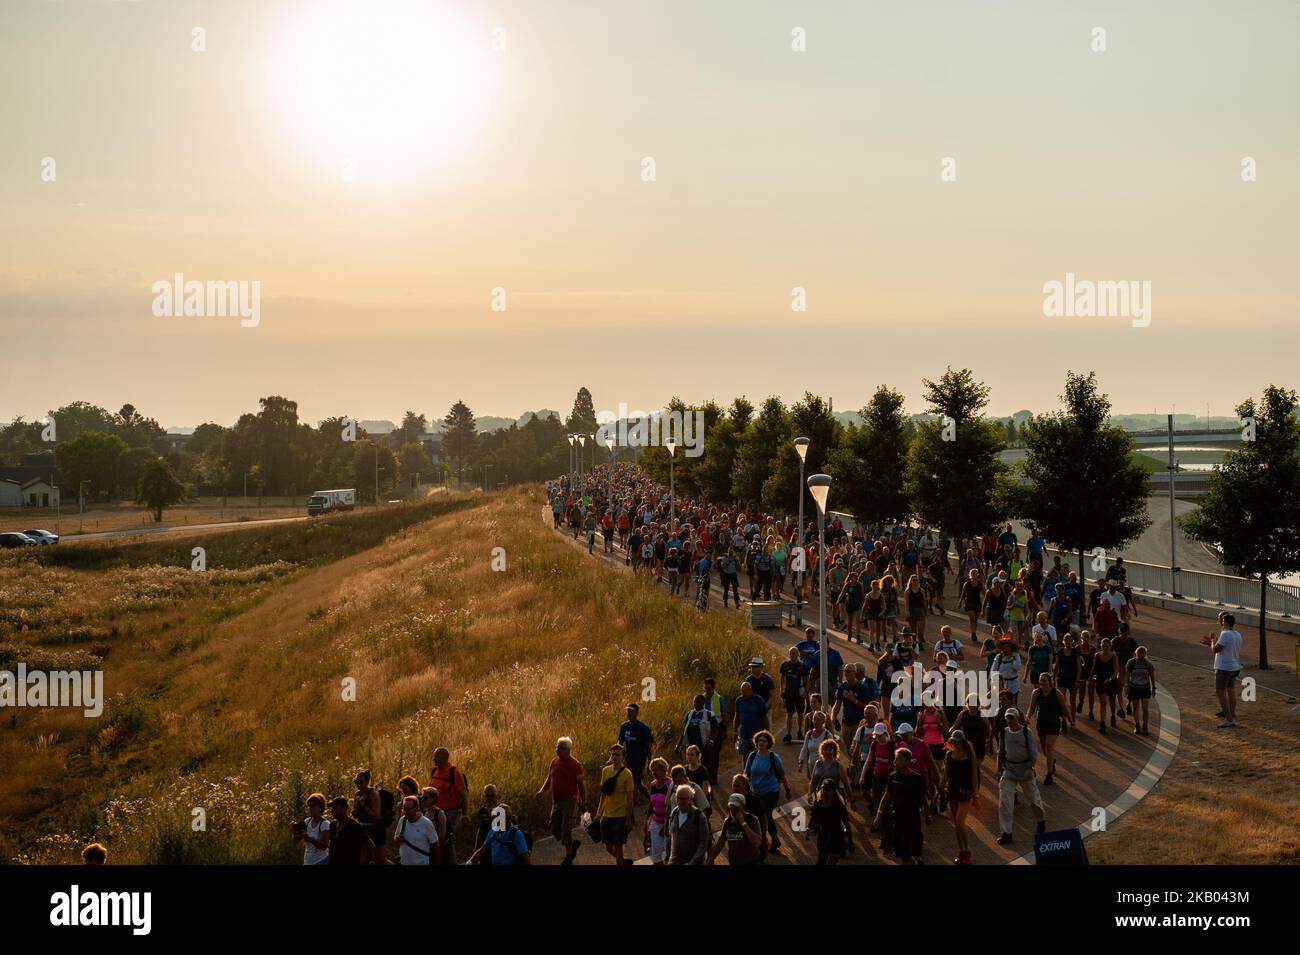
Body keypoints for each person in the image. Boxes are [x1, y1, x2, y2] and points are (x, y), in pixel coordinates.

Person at [995, 708, 1046, 845]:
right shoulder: (1004, 733)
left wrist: (1030, 768)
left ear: (1017, 718)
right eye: (1007, 718)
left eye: (1011, 717)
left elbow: (1033, 753)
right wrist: (998, 770)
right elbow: (1001, 753)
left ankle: (1040, 819)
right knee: (1005, 802)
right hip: (1009, 770)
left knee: (1033, 798)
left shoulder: (1026, 732)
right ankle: (1006, 833)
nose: (1009, 720)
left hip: (1024, 769)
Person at [874, 748, 929, 864]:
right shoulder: (893, 777)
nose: (893, 762)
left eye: (896, 759)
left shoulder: (916, 778)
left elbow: (924, 799)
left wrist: (928, 816)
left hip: (912, 819)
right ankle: (912, 861)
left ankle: (910, 861)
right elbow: (886, 797)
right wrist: (879, 814)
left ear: (905, 761)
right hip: (897, 818)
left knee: (906, 848)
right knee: (900, 848)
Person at [537, 735, 585, 864]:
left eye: (561, 748)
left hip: (570, 800)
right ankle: (572, 845)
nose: (558, 750)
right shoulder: (554, 761)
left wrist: (582, 800)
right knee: (553, 828)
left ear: (568, 749)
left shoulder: (575, 764)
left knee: (565, 829)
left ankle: (569, 854)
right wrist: (542, 790)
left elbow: (581, 784)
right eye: (557, 748)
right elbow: (549, 778)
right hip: (557, 801)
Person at [744, 730, 792, 852]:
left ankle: (771, 840)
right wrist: (743, 787)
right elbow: (746, 772)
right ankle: (762, 839)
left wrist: (787, 790)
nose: (761, 743)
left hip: (771, 791)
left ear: (769, 743)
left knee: (765, 814)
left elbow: (782, 775)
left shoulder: (773, 757)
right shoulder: (752, 756)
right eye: (759, 740)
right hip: (755, 792)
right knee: (756, 816)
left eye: (764, 741)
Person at [940, 730, 980, 864]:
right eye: (953, 741)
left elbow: (974, 777)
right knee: (956, 825)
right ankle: (962, 851)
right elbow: (946, 774)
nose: (954, 743)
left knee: (959, 823)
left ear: (962, 741)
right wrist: (939, 789)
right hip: (952, 790)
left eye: (956, 741)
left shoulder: (970, 756)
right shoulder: (949, 755)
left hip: (965, 791)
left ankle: (967, 850)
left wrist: (976, 795)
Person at [1026, 672, 1071, 785]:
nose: (1042, 682)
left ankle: (1049, 774)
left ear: (1050, 681)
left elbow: (1064, 708)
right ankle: (1052, 762)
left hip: (1054, 723)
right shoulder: (1036, 693)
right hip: (1041, 723)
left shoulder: (1056, 693)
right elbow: (1031, 708)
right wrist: (1027, 717)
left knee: (1049, 746)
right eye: (1041, 680)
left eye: (1044, 680)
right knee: (1044, 749)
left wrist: (1071, 721)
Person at [595, 744, 636, 864]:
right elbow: (603, 794)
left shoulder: (627, 774)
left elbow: (630, 799)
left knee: (618, 847)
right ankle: (623, 862)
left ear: (623, 757)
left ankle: (620, 862)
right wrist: (598, 813)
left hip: (621, 815)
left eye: (617, 755)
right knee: (608, 846)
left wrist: (629, 819)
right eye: (612, 754)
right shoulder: (605, 771)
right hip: (607, 815)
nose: (614, 757)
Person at [429, 749, 468, 864]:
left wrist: (464, 815)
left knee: (447, 841)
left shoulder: (454, 772)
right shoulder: (434, 771)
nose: (434, 759)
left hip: (451, 813)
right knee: (439, 840)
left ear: (445, 757)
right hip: (436, 812)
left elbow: (463, 794)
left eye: (436, 757)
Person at [707, 793, 763, 866]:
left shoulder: (752, 819)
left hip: (752, 861)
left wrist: (743, 823)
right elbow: (720, 842)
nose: (733, 810)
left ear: (743, 806)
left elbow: (757, 842)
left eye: (736, 807)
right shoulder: (728, 822)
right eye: (731, 806)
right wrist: (710, 859)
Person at [810, 778, 855, 865]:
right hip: (823, 837)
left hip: (836, 837)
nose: (826, 792)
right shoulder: (818, 805)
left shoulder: (839, 806)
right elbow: (812, 821)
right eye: (824, 789)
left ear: (833, 791)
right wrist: (813, 826)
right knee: (821, 861)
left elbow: (847, 825)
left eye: (828, 789)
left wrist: (850, 841)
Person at [665, 784, 712, 865]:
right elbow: (671, 838)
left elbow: (703, 843)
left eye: (683, 799)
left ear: (691, 799)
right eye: (678, 798)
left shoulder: (699, 816)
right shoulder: (674, 813)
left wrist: (692, 863)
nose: (679, 801)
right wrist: (668, 858)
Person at [393, 795, 442, 865]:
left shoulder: (426, 823)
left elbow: (435, 845)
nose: (405, 812)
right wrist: (398, 839)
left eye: (408, 809)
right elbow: (395, 838)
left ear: (416, 808)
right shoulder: (402, 820)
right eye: (404, 809)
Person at [618, 703, 655, 794]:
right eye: (628, 711)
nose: (629, 713)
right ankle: (639, 801)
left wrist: (649, 761)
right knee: (633, 783)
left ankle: (649, 800)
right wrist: (616, 756)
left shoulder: (642, 727)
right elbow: (620, 743)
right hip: (628, 758)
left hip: (639, 759)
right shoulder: (624, 726)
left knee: (635, 782)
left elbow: (649, 744)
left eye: (631, 711)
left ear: (636, 713)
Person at [351, 769, 385, 864]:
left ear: (367, 781)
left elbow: (377, 816)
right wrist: (354, 811)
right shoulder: (357, 794)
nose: (357, 784)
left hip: (375, 829)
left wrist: (364, 805)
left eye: (360, 782)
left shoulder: (373, 794)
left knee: (381, 859)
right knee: (362, 858)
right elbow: (356, 813)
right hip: (362, 828)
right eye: (356, 782)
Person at [326, 796, 373, 865]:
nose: (332, 810)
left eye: (335, 807)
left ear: (344, 808)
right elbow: (331, 846)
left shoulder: (354, 826)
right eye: (332, 807)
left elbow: (370, 846)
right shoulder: (332, 825)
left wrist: (364, 862)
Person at [644, 758, 674, 864]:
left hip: (669, 822)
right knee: (656, 856)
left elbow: (671, 807)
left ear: (664, 769)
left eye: (656, 770)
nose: (654, 773)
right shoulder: (653, 784)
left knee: (668, 855)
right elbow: (651, 803)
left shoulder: (670, 785)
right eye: (652, 771)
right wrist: (647, 820)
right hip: (656, 821)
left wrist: (665, 826)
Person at [733, 681, 769, 760]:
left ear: (750, 690)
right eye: (742, 692)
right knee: (745, 758)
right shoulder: (739, 700)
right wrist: (735, 732)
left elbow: (764, 717)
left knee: (757, 757)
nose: (744, 694)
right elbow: (737, 717)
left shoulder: (758, 700)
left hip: (756, 735)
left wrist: (767, 733)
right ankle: (746, 772)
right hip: (744, 735)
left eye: (745, 691)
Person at [1091, 637, 1120, 733]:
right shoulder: (1097, 655)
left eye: (1107, 646)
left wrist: (1110, 679)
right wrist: (1093, 679)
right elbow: (1095, 669)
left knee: (1112, 701)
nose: (1105, 648)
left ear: (1110, 646)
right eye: (1103, 646)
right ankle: (1102, 723)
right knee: (1103, 701)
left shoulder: (1114, 656)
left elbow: (1116, 671)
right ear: (1101, 646)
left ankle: (1113, 715)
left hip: (1111, 681)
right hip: (1100, 681)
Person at [1125, 646, 1156, 737]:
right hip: (1134, 687)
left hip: (1145, 688)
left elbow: (1152, 676)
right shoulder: (1131, 662)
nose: (1140, 658)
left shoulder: (1148, 664)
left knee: (1145, 708)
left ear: (1145, 655)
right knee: (1136, 708)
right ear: (1136, 654)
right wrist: (1126, 685)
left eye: (1142, 656)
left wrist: (1154, 687)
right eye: (1139, 656)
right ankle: (1137, 725)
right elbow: (1127, 674)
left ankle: (1145, 725)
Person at [293, 792, 331, 865]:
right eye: (309, 806)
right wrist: (295, 831)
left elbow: (324, 846)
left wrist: (309, 838)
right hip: (308, 861)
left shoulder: (325, 824)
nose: (310, 808)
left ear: (320, 807)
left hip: (321, 860)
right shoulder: (307, 822)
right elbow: (295, 842)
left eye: (313, 805)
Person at [779, 646, 807, 743]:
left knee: (800, 713)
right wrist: (781, 689)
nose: (792, 655)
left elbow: (805, 679)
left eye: (794, 653)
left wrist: (805, 692)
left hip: (799, 693)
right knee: (789, 713)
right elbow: (782, 678)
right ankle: (788, 734)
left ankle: (799, 731)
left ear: (798, 654)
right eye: (791, 653)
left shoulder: (802, 665)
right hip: (789, 692)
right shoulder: (785, 665)